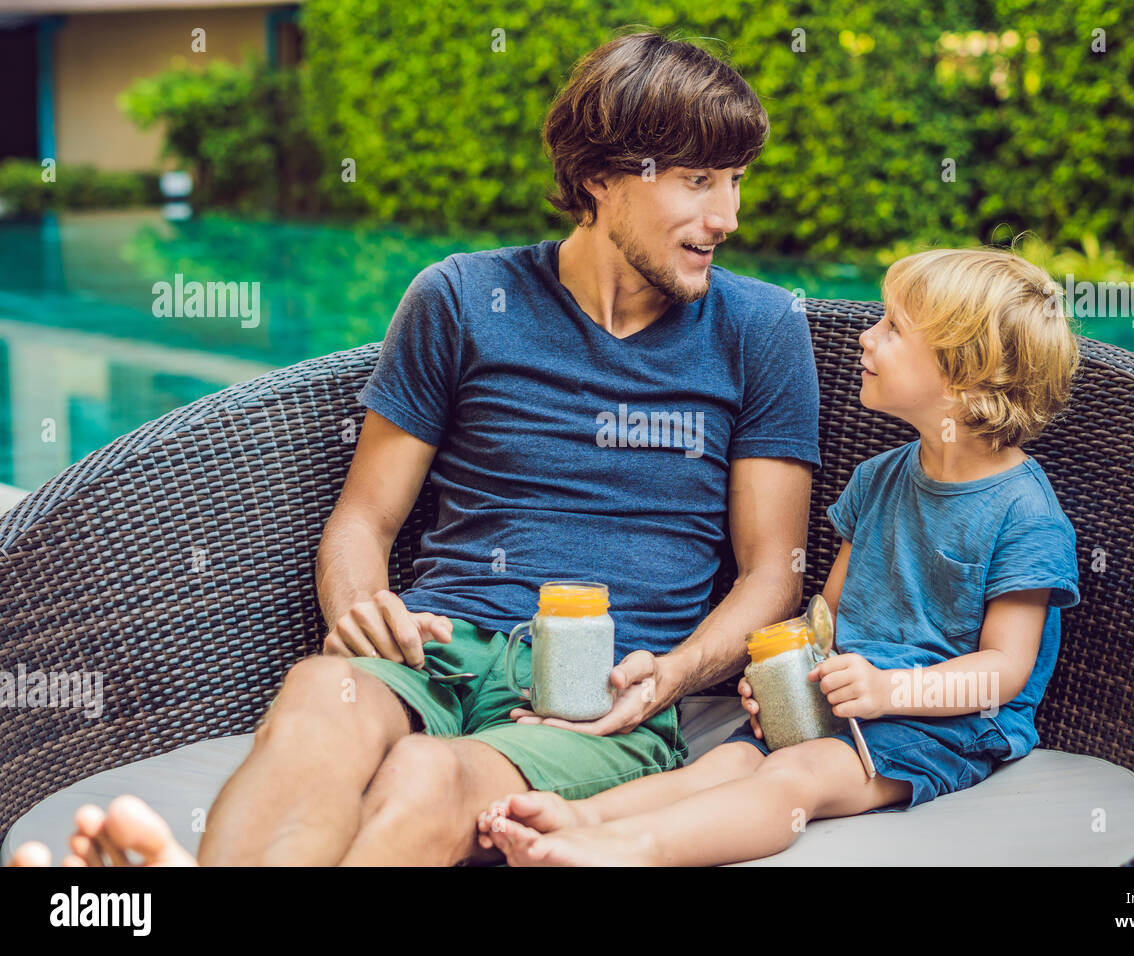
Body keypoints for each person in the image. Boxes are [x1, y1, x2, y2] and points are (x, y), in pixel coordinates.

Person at [7, 31, 820, 868]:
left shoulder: (760, 330)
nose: (726, 217)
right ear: (600, 177)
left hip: (603, 689)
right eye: (697, 182)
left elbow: (772, 573)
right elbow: (364, 516)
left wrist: (675, 676)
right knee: (323, 693)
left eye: (735, 181)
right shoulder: (463, 299)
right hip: (436, 644)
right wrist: (359, 605)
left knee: (430, 776)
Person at [478, 246, 1083, 866]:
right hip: (850, 698)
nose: (866, 338)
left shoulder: (1023, 513)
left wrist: (889, 692)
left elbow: (1003, 672)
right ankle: (579, 816)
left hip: (943, 722)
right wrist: (784, 678)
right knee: (731, 759)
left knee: (793, 780)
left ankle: (628, 851)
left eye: (893, 329)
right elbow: (828, 619)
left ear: (964, 377)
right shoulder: (879, 478)